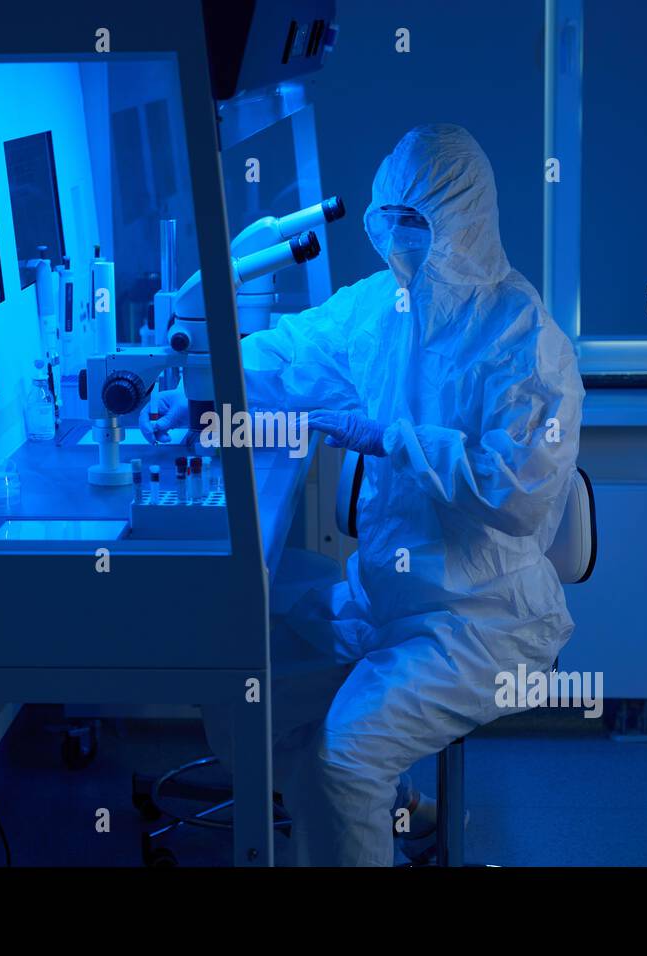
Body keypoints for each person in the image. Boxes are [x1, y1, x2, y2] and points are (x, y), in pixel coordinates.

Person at [144, 125, 584, 866]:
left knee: (341, 762)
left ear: (465, 219)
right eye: (389, 218)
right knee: (238, 694)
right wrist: (199, 390)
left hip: (480, 624)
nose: (397, 238)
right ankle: (389, 815)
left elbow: (521, 495)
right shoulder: (380, 307)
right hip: (383, 595)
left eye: (419, 221)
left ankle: (360, 800)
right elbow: (286, 354)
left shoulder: (526, 340)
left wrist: (390, 438)